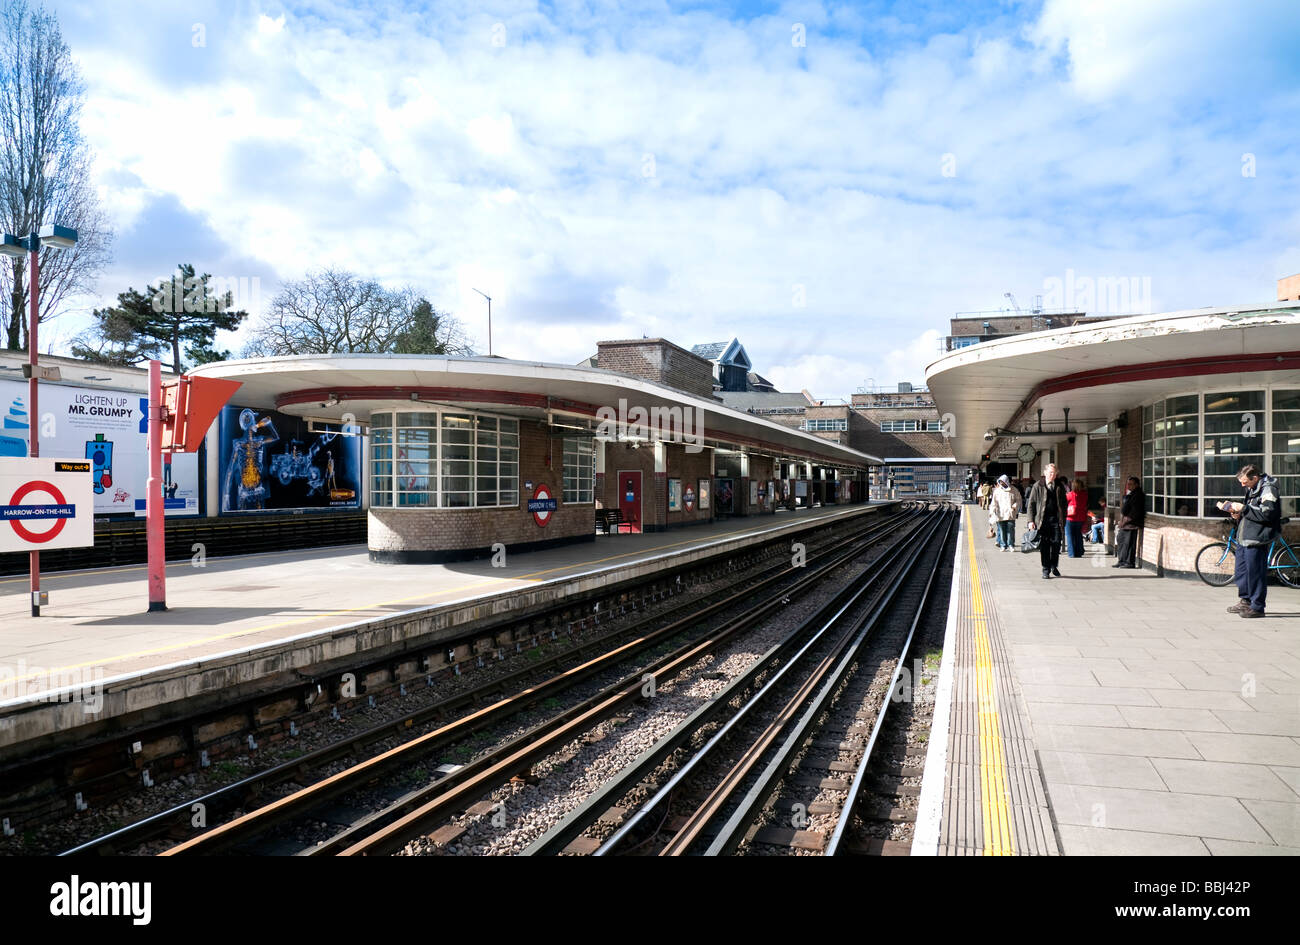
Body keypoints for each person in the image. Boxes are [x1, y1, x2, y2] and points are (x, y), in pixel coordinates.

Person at [1222, 464, 1282, 618]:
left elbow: (1267, 515)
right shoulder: (1252, 488)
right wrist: (1237, 514)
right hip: (1244, 537)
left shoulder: (1268, 490)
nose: (1243, 485)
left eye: (1245, 482)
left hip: (1256, 538)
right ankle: (1245, 601)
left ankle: (1257, 607)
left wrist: (1244, 509)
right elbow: (1250, 512)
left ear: (1254, 478)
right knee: (1241, 571)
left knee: (1255, 573)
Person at [1026, 462, 1068, 579]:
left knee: (1056, 545)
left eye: (1054, 473)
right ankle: (1045, 569)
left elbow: (1064, 504)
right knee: (1044, 546)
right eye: (1050, 472)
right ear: (1045, 473)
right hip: (1042, 521)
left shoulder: (1059, 486)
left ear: (1056, 474)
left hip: (1056, 521)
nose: (1052, 475)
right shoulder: (1037, 486)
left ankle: (1054, 566)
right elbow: (1031, 504)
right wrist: (1030, 520)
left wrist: (1063, 517)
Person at [1113, 476, 1145, 568]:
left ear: (1136, 485)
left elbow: (1134, 512)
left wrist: (1126, 521)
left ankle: (1129, 562)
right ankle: (1121, 560)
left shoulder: (1138, 495)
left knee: (1129, 544)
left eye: (1131, 484)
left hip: (1131, 524)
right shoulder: (1131, 494)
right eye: (1128, 484)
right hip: (1124, 523)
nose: (1128, 486)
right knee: (1121, 541)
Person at [990, 474, 1021, 551]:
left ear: (1006, 481)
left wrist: (1014, 506)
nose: (1001, 483)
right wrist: (992, 512)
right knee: (1002, 530)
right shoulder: (997, 491)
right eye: (1000, 482)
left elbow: (1018, 500)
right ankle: (1003, 545)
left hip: (1010, 513)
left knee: (1011, 530)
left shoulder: (1014, 490)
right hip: (1000, 514)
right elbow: (994, 502)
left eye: (1003, 482)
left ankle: (1011, 545)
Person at [1065, 478, 1088, 558]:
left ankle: (1071, 553)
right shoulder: (1085, 494)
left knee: (1070, 536)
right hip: (1081, 518)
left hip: (1070, 518)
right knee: (1078, 535)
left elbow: (1064, 503)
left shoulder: (1070, 495)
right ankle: (1079, 552)